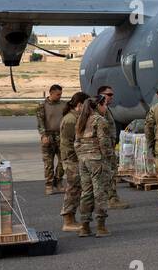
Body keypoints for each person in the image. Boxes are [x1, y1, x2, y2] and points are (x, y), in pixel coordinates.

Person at [75, 94, 114, 236]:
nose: (106, 107)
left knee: (86, 193)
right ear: (98, 106)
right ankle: (101, 227)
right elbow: (104, 142)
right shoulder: (100, 120)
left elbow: (77, 143)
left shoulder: (81, 120)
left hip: (83, 160)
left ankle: (84, 226)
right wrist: (108, 158)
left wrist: (82, 156)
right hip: (97, 160)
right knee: (100, 193)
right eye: (105, 105)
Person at [58, 91, 89, 232]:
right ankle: (68, 221)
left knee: (76, 189)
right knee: (73, 190)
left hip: (75, 160)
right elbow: (68, 144)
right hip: (72, 161)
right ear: (80, 105)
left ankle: (71, 218)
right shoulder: (71, 119)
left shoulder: (75, 117)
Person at [97, 85, 130, 211]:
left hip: (108, 147)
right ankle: (111, 199)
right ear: (101, 95)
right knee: (109, 174)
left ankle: (112, 197)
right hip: (105, 149)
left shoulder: (106, 109)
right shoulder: (99, 111)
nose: (111, 97)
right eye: (109, 94)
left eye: (112, 95)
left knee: (111, 173)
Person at [36, 84, 65, 194]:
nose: (60, 96)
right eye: (58, 94)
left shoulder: (64, 105)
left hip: (61, 136)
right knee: (48, 163)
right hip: (48, 136)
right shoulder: (42, 106)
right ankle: (49, 185)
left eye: (61, 94)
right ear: (51, 93)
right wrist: (43, 135)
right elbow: (40, 122)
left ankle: (58, 182)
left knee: (63, 160)